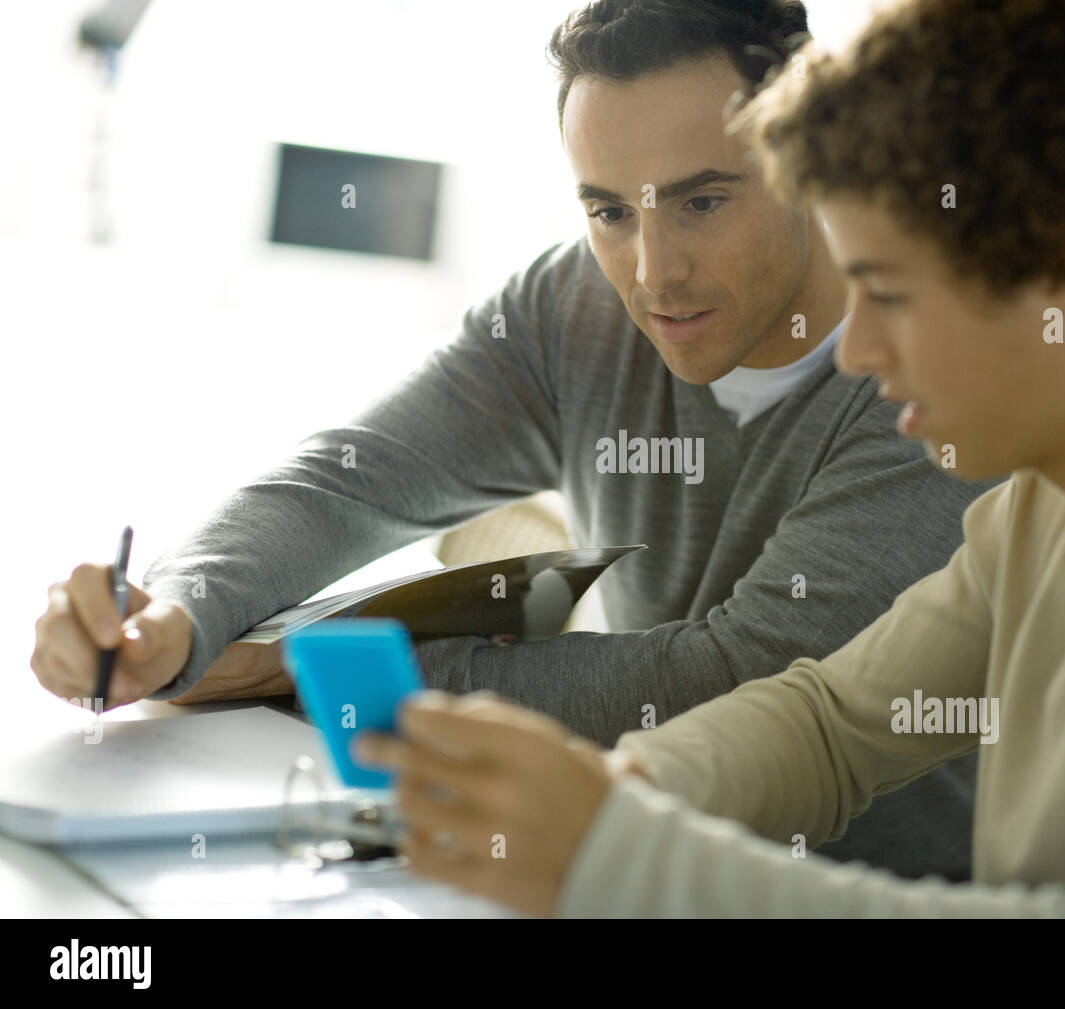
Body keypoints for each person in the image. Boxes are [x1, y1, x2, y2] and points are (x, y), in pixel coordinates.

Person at [350, 0, 1065, 917]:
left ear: (1061, 270)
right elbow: (829, 726)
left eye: (885, 292)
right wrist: (616, 793)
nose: (855, 351)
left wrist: (617, 859)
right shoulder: (1044, 506)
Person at [29, 1, 992, 880]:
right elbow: (353, 478)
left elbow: (736, 678)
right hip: (610, 862)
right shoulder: (573, 303)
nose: (653, 273)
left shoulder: (930, 372)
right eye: (610, 210)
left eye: (703, 200)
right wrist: (178, 617)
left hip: (861, 892)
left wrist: (324, 662)